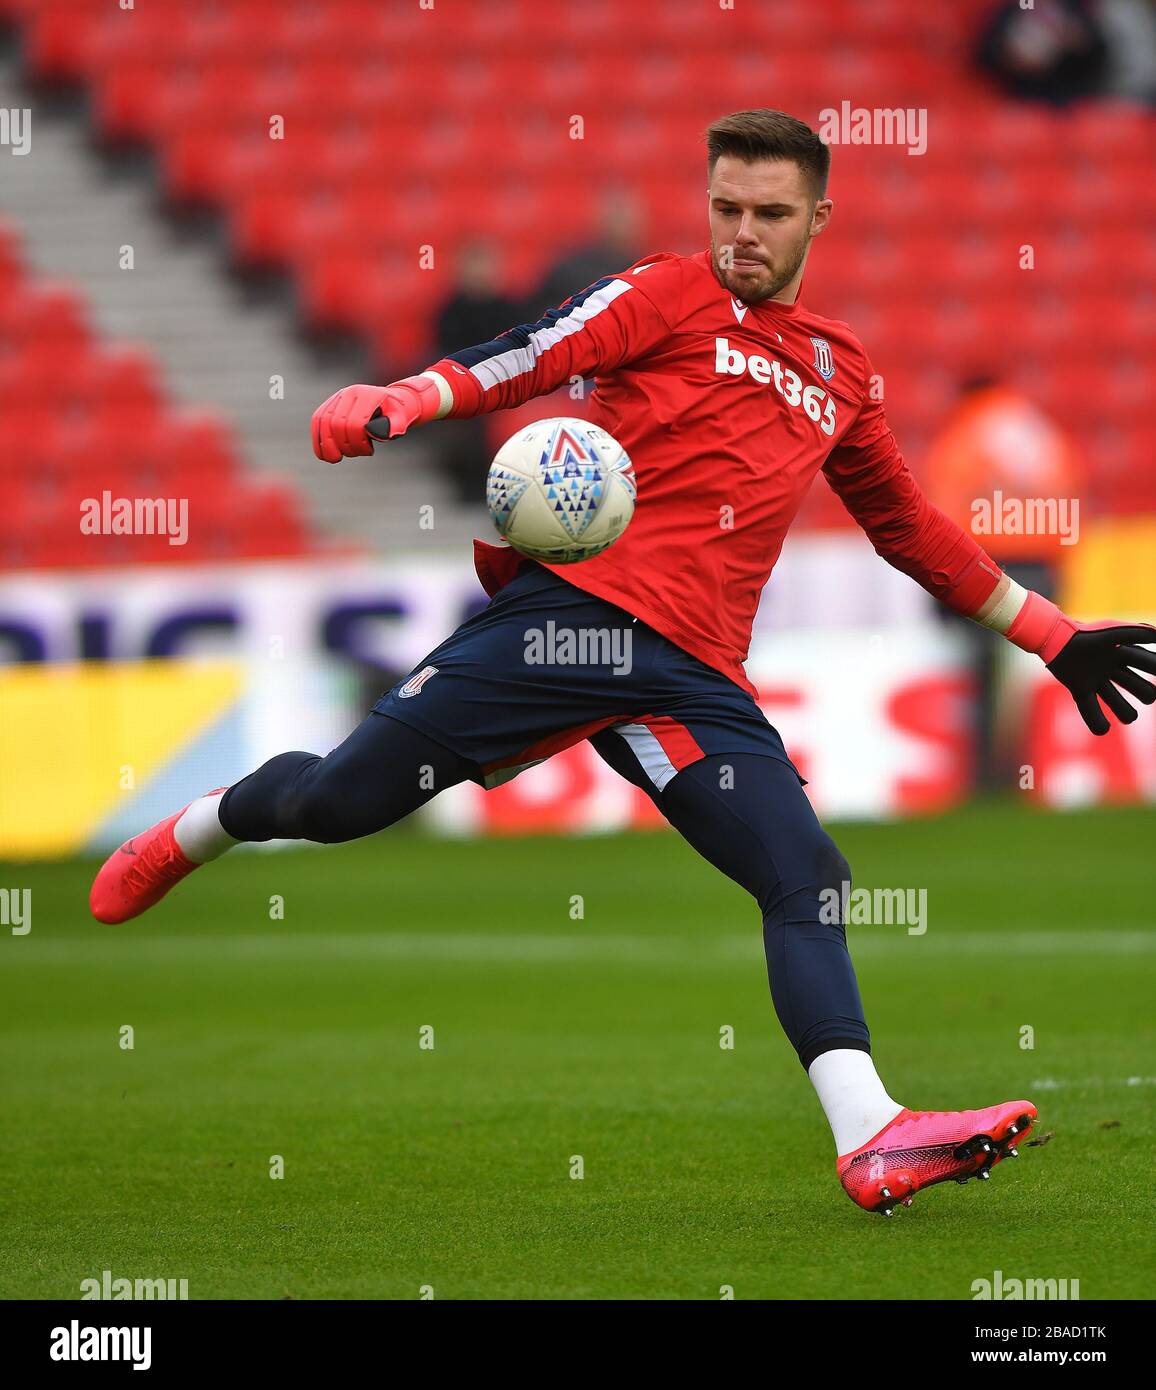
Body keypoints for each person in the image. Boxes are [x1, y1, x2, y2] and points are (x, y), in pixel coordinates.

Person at [90, 110, 1156, 1218]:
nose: (743, 233)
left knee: (807, 875)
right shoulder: (664, 292)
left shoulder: (841, 370)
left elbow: (909, 526)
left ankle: (871, 1133)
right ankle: (204, 823)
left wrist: (1051, 633)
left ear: (819, 219)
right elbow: (534, 352)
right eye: (727, 208)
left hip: (694, 673)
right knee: (337, 803)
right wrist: (406, 397)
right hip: (568, 623)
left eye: (769, 214)